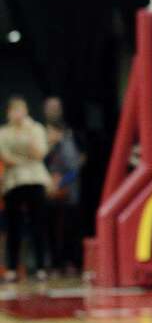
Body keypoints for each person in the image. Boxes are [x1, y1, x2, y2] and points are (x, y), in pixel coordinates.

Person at [0, 96, 50, 282]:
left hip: (35, 179)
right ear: (9, 113)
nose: (17, 114)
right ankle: (12, 267)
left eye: (21, 110)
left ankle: (40, 267)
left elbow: (39, 153)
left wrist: (26, 133)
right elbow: (5, 156)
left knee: (38, 223)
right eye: (14, 110)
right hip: (13, 181)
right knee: (13, 226)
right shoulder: (3, 132)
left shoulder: (35, 128)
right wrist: (23, 159)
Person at [43, 98, 83, 274]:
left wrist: (61, 181)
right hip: (48, 191)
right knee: (50, 229)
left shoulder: (68, 139)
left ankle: (71, 262)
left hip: (69, 192)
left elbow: (75, 167)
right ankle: (54, 263)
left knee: (70, 229)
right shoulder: (41, 141)